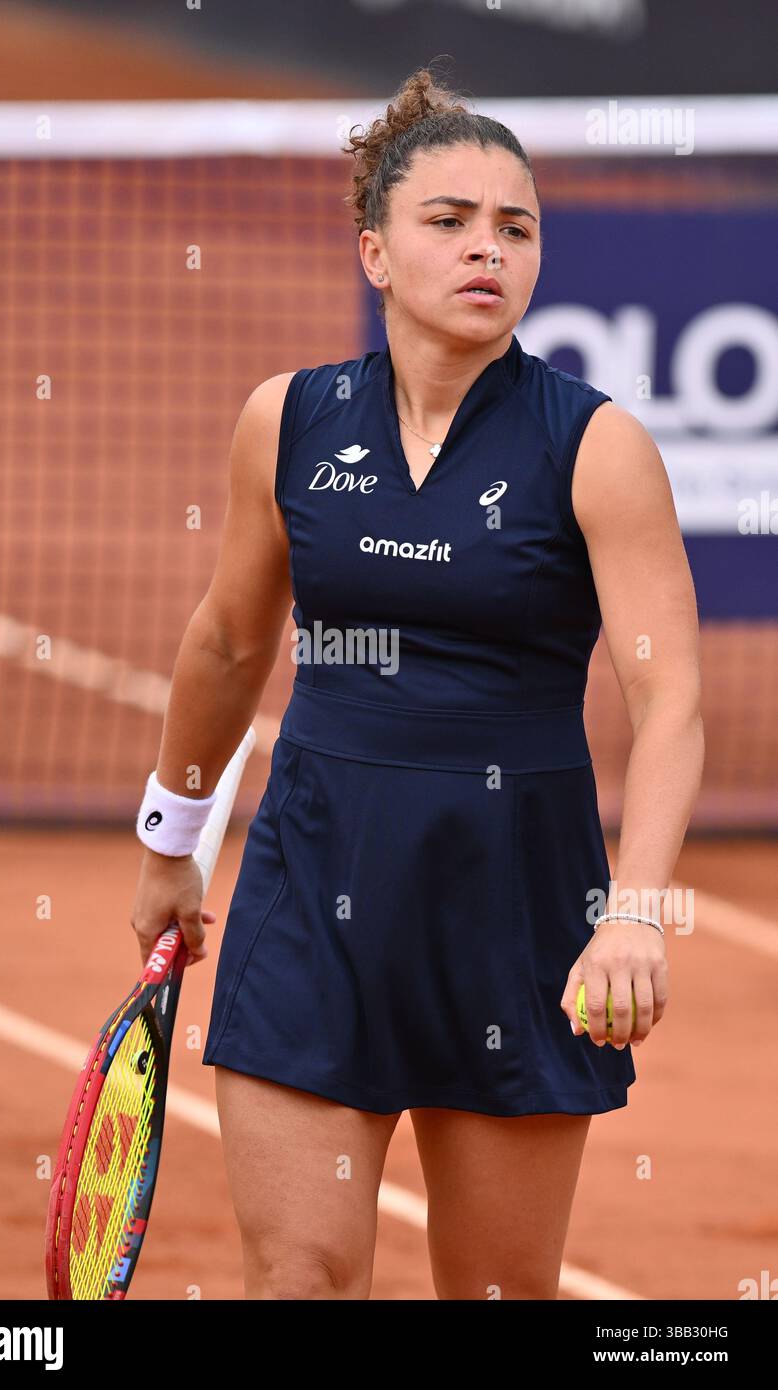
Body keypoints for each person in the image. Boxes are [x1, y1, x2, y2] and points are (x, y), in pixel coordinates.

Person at [131, 67, 704, 1300]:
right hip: (313, 880)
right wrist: (169, 841)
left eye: (514, 225)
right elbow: (230, 642)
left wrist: (637, 910)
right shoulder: (285, 420)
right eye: (447, 220)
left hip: (516, 903)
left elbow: (668, 702)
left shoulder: (596, 447)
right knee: (298, 1277)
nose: (484, 247)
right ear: (375, 252)